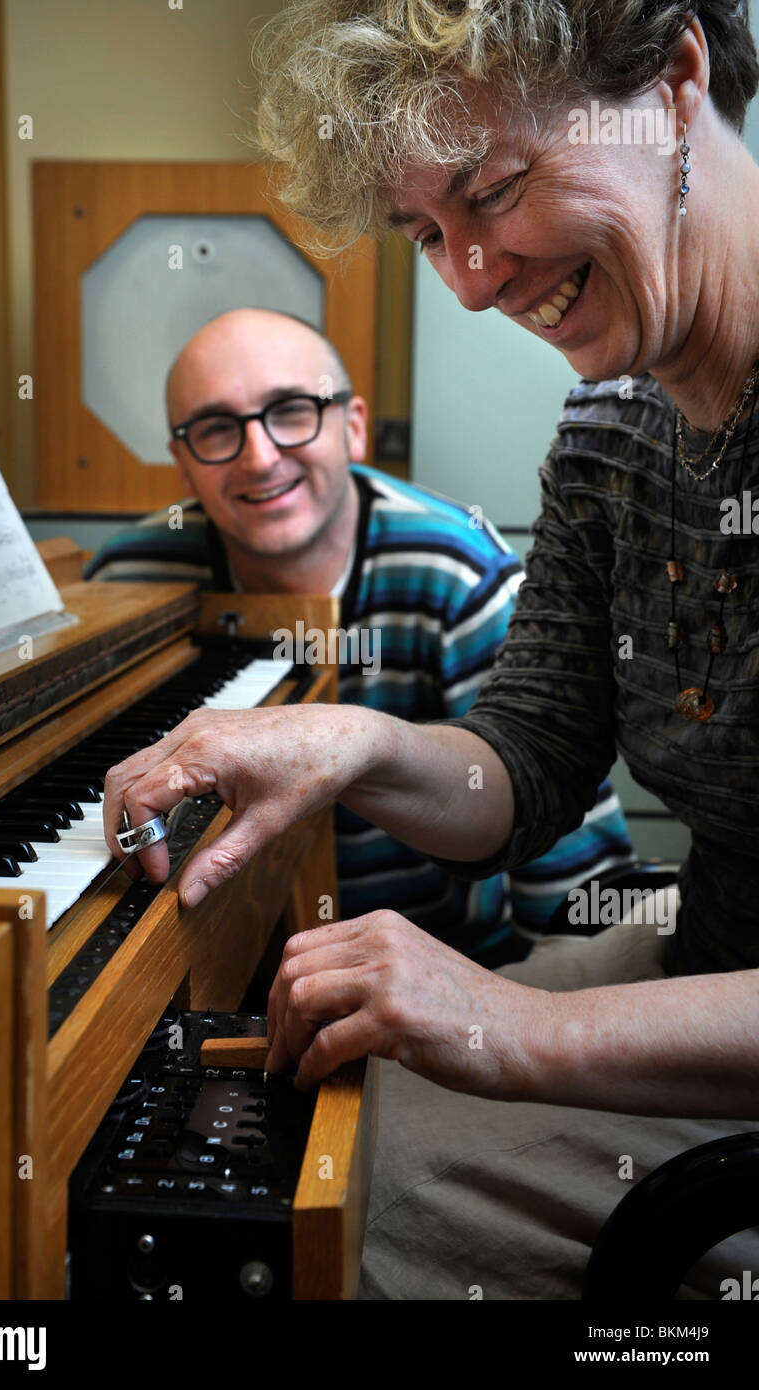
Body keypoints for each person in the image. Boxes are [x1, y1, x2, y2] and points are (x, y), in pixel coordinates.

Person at [101, 1, 759, 1299]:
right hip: (709, 957)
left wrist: (523, 1026)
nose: (465, 278)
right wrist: (352, 740)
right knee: (304, 1111)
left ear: (677, 78)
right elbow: (523, 767)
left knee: (328, 1220)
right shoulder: (610, 430)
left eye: (493, 192)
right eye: (425, 234)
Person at [86, 307, 634, 965]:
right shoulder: (129, 578)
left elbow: (570, 885)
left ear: (354, 427)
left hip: (438, 973)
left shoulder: (456, 572)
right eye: (215, 429)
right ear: (182, 465)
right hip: (212, 975)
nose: (260, 458)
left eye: (292, 411)